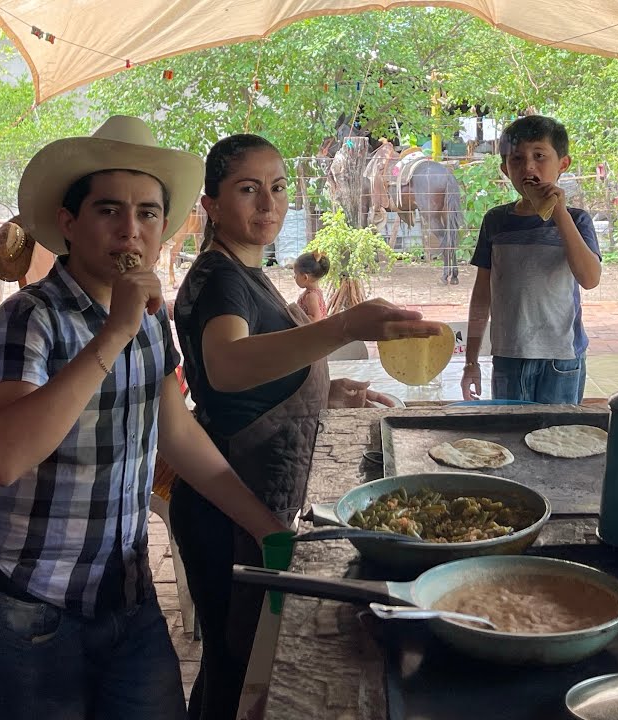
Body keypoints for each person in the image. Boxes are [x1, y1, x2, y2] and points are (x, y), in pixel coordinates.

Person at [0, 116, 287, 720]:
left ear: (164, 227)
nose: (130, 230)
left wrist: (265, 525)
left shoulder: (145, 316)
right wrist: (112, 332)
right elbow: (4, 458)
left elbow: (177, 430)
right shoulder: (31, 318)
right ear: (68, 223)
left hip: (128, 596)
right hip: (34, 608)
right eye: (109, 210)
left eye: (147, 213)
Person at [170, 133, 444, 720]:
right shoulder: (219, 279)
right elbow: (227, 365)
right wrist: (344, 328)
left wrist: (329, 393)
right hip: (229, 503)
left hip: (260, 492)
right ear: (212, 203)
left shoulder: (249, 272)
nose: (268, 204)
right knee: (238, 663)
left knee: (237, 658)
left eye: (277, 188)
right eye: (247, 190)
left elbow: (270, 370)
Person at [460, 115, 602, 404]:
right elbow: (481, 296)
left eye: (540, 156)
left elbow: (589, 279)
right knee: (511, 435)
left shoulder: (576, 220)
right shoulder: (496, 221)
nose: (528, 167)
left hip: (561, 357)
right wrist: (471, 361)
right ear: (504, 169)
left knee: (558, 437)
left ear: (563, 164)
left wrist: (558, 213)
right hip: (508, 355)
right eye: (517, 159)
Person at [292, 250, 330, 322]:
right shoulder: (316, 292)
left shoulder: (311, 296)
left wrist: (296, 315)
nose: (294, 277)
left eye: (296, 274)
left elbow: (315, 319)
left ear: (305, 277)